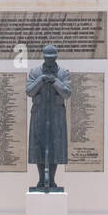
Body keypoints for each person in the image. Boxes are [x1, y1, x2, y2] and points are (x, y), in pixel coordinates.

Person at [26, 44, 71, 192]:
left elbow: (66, 93)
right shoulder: (35, 72)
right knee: (39, 146)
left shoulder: (63, 73)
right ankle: (41, 179)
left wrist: (55, 81)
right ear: (44, 57)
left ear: (56, 57)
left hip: (56, 115)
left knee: (55, 147)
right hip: (39, 114)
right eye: (47, 58)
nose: (50, 61)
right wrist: (41, 79)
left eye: (52, 58)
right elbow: (29, 91)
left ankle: (52, 180)